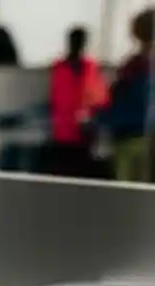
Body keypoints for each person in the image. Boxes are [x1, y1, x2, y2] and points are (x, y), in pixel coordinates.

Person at [47, 27, 109, 177]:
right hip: (64, 132)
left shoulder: (89, 67)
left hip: (82, 132)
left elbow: (100, 99)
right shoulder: (61, 68)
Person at [108, 10, 154, 182]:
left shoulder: (132, 66)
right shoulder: (135, 66)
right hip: (139, 136)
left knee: (127, 193)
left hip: (130, 137)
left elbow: (118, 100)